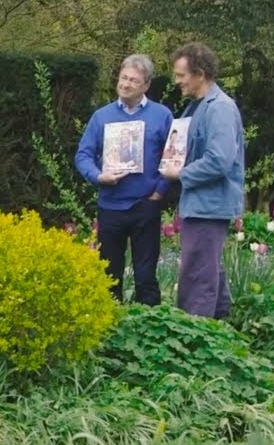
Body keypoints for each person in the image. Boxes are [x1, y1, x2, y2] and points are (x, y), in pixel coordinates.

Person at [75, 54, 173, 305]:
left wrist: (159, 192)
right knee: (109, 276)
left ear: (146, 85)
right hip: (110, 206)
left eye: (133, 80)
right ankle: (111, 324)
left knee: (145, 277)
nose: (126, 84)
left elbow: (173, 155)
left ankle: (150, 324)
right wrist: (98, 176)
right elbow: (83, 155)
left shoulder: (161, 115)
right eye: (123, 78)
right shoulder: (101, 116)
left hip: (146, 205)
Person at [159, 42, 245, 319]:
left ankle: (194, 335)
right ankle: (220, 331)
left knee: (197, 278)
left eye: (181, 75)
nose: (177, 81)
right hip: (199, 204)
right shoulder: (195, 108)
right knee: (208, 272)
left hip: (210, 206)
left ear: (200, 74)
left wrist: (180, 174)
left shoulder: (219, 109)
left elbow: (219, 160)